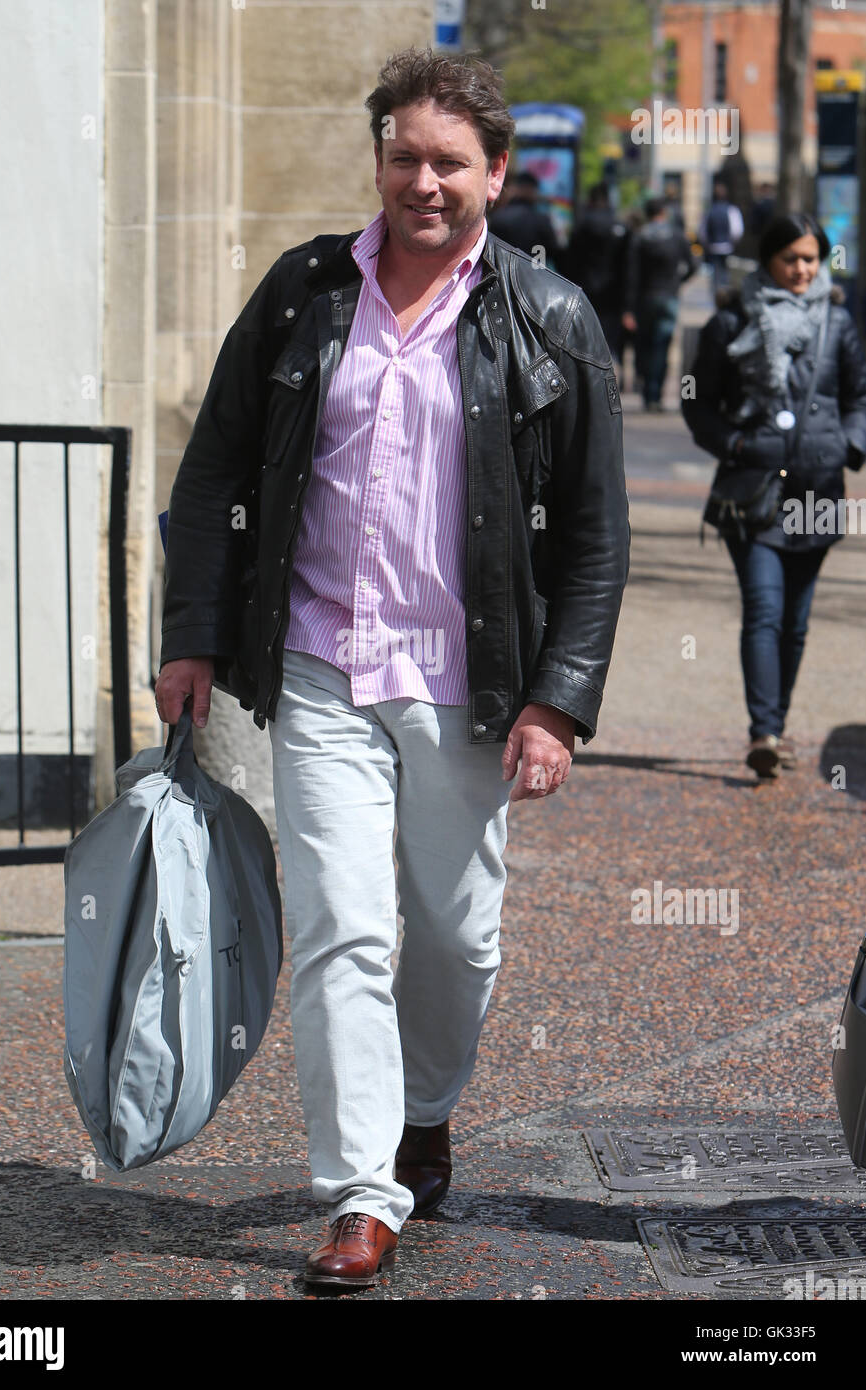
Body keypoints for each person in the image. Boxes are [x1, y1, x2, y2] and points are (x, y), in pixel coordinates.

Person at [155, 46, 630, 1290]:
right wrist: (191, 634)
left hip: (470, 684)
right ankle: (361, 1194)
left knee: (458, 938)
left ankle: (427, 1107)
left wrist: (557, 700)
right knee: (344, 931)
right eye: (403, 157)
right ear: (377, 159)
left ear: (496, 174)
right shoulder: (303, 294)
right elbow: (213, 476)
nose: (423, 182)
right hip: (320, 665)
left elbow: (592, 535)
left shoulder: (551, 317)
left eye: (448, 163)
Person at [681, 212, 866, 778]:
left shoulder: (838, 323)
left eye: (811, 259)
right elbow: (697, 400)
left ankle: (777, 725)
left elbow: (859, 395)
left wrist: (848, 446)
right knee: (764, 608)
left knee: (797, 621)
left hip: (818, 488)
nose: (803, 269)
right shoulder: (731, 320)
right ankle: (763, 730)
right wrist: (735, 443)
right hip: (753, 491)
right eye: (792, 259)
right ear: (768, 261)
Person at [622, 196, 697, 411]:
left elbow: (631, 275)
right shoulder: (677, 236)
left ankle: (646, 390)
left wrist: (627, 308)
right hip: (669, 297)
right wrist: (677, 282)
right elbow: (692, 265)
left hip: (645, 299)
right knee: (662, 346)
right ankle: (656, 394)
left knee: (643, 345)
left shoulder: (640, 237)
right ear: (664, 212)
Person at [566, 182, 629, 365]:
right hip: (612, 291)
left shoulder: (582, 225)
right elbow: (627, 265)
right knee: (609, 336)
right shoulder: (619, 226)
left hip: (583, 288)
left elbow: (571, 259)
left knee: (585, 334)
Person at [488, 169, 562, 269]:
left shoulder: (499, 217)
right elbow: (553, 252)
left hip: (503, 275)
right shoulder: (541, 220)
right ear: (533, 190)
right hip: (534, 275)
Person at [698, 180, 744, 290]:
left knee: (715, 278)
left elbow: (702, 232)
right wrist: (732, 243)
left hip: (713, 247)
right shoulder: (731, 210)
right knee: (725, 278)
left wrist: (707, 244)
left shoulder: (709, 211)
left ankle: (718, 297)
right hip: (727, 247)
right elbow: (737, 231)